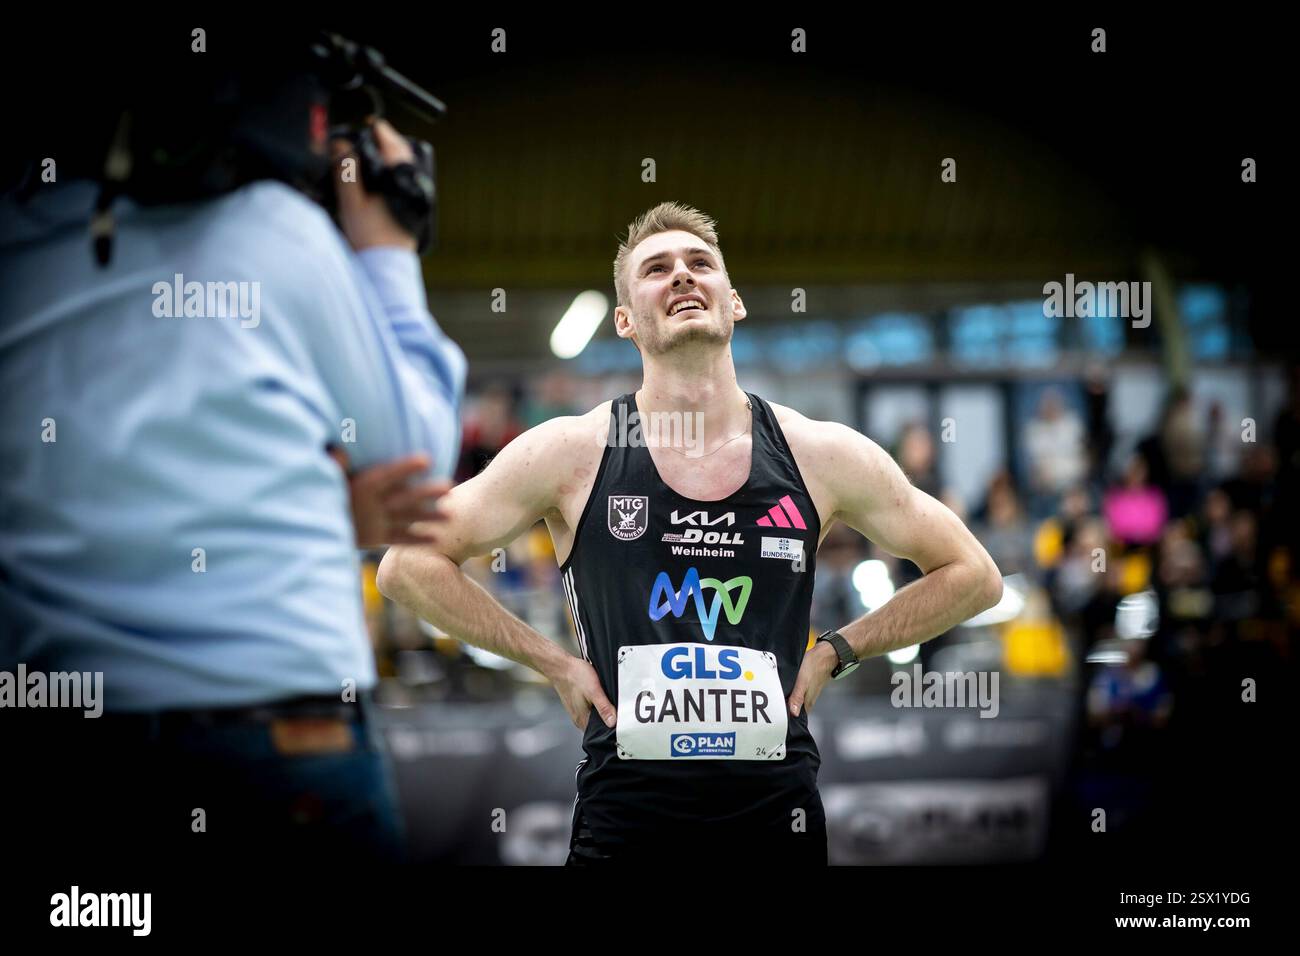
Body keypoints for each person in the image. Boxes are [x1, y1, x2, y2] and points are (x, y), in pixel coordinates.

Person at [377, 202, 1002, 865]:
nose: (682, 275)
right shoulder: (571, 452)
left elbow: (974, 575)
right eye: (657, 269)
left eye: (701, 263)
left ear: (734, 302)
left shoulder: (820, 454)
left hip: (776, 822)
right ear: (625, 320)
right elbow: (408, 564)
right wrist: (551, 662)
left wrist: (838, 650)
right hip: (626, 826)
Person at [0, 91, 466, 863]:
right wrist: (387, 253)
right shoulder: (278, 232)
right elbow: (415, 453)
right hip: (284, 730)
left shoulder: (17, 242)